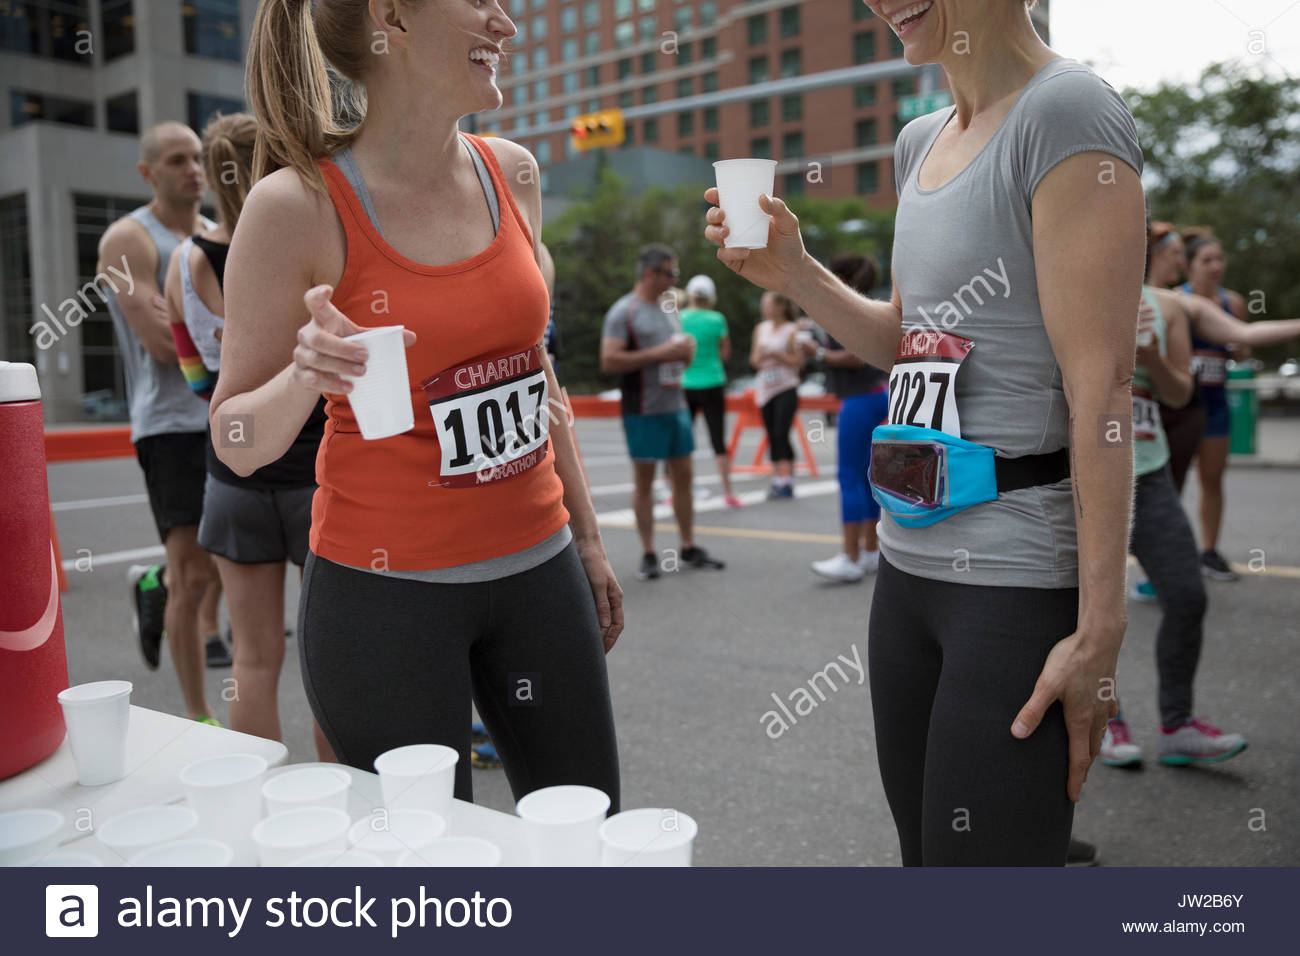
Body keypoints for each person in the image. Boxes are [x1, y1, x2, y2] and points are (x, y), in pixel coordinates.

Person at [706, 0, 1146, 865]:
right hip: (907, 570)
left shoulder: (1068, 111)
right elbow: (904, 341)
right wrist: (795, 273)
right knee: (924, 861)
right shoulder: (920, 139)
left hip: (1016, 577)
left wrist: (1101, 632)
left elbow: (1104, 389)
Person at [211, 0, 620, 808]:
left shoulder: (513, 171)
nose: (506, 23)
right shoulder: (296, 207)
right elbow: (234, 440)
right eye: (482, 3)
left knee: (587, 837)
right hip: (383, 597)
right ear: (390, 17)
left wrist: (592, 541)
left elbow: (538, 378)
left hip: (541, 570)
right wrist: (304, 374)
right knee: (427, 880)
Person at [162, 112, 334, 761]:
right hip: (315, 472)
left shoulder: (184, 265)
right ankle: (337, 807)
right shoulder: (302, 240)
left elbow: (196, 382)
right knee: (327, 658)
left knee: (253, 660)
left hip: (231, 476)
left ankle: (262, 812)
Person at [1102, 240, 1247, 767]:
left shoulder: (1159, 305)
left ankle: (1178, 726)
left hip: (1148, 473)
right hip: (1077, 475)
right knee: (1090, 609)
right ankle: (1105, 721)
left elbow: (1181, 392)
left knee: (1187, 595)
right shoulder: (1060, 287)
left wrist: (1148, 356)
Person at [99, 120, 226, 723]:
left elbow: (203, 336)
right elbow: (160, 342)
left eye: (198, 157)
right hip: (170, 425)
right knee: (195, 574)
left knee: (232, 555)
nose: (194, 169)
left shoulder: (213, 233)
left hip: (225, 414)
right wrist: (224, 333)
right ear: (149, 172)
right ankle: (200, 715)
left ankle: (157, 582)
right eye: (177, 160)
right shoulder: (128, 240)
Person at [1133, 223, 1300, 600]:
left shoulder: (1181, 305)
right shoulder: (1140, 297)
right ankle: (1155, 568)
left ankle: (1202, 553)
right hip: (1152, 421)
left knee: (1201, 485)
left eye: (1218, 258)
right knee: (1156, 498)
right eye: (1199, 257)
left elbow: (1244, 337)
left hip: (1194, 407)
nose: (1214, 265)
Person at [601, 244, 726, 580]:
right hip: (643, 409)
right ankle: (649, 552)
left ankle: (687, 545)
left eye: (677, 274)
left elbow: (676, 357)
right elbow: (609, 359)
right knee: (645, 481)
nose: (675, 279)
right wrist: (661, 353)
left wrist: (685, 353)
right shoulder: (624, 312)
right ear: (650, 273)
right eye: (671, 273)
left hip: (676, 405)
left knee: (684, 476)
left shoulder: (671, 309)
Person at [802, 253, 890, 582]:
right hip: (876, 395)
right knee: (868, 478)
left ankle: (851, 557)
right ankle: (869, 551)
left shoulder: (845, 308)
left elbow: (854, 357)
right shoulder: (868, 304)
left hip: (858, 399)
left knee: (850, 478)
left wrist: (819, 353)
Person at [1176, 229, 1250, 580]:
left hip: (1216, 407)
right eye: (1207, 260)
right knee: (1170, 483)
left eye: (1220, 259)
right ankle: (1168, 556)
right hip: (1178, 408)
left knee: (1213, 480)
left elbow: (1243, 350)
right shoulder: (1174, 300)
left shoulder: (1231, 302)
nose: (1216, 265)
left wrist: (1237, 346)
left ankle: (1209, 551)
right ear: (1189, 265)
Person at [680, 274, 742, 509]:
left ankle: (677, 489)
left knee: (684, 441)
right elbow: (725, 353)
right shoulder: (717, 319)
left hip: (686, 383)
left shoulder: (680, 317)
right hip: (713, 381)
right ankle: (728, 491)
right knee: (718, 440)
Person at [750, 292, 805, 498]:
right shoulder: (760, 329)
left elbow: (798, 362)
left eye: (770, 305)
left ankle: (788, 478)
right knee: (772, 433)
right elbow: (754, 361)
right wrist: (763, 355)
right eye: (764, 305)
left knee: (782, 431)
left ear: (782, 307)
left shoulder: (792, 330)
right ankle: (776, 478)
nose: (766, 309)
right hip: (765, 388)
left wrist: (777, 355)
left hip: (786, 386)